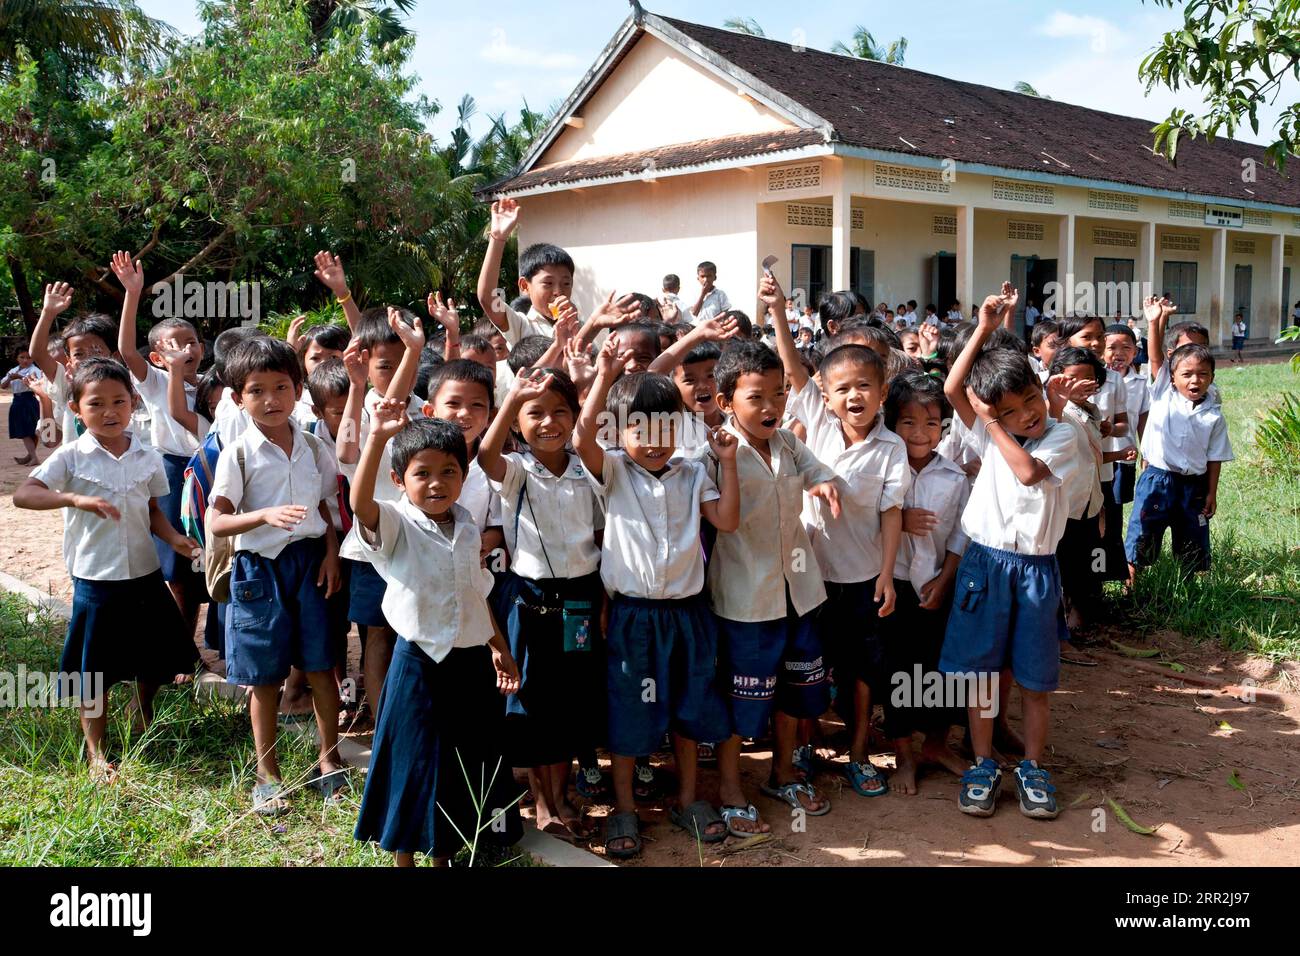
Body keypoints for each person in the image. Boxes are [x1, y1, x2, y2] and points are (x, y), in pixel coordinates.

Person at [573, 338, 739, 859]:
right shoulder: (614, 472)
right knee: (630, 711)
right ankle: (624, 807)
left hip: (689, 614)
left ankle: (689, 800)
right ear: (619, 433)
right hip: (633, 617)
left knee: (693, 709)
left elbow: (727, 521)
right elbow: (582, 440)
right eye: (639, 429)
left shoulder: (694, 470)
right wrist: (601, 377)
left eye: (665, 426)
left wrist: (727, 461)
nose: (653, 440)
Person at [348, 403, 523, 866]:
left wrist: (498, 647)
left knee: (459, 761)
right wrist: (376, 438)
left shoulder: (467, 526)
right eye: (422, 473)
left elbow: (475, 591)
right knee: (413, 761)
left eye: (449, 471)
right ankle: (405, 857)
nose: (436, 483)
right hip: (419, 663)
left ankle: (444, 853)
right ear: (398, 479)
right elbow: (359, 504)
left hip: (468, 663)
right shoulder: (395, 521)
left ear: (464, 477)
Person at [14, 358, 197, 781]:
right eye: (96, 404)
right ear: (76, 408)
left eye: (119, 401)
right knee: (93, 671)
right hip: (96, 579)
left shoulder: (147, 456)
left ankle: (142, 712)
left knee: (154, 658)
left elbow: (153, 511)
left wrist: (175, 540)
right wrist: (73, 500)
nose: (110, 411)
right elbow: (24, 495)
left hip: (146, 574)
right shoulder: (71, 457)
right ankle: (97, 752)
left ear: (134, 402)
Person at [941, 283, 1083, 820]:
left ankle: (1033, 766)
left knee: (1035, 678)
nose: (1029, 414)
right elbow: (955, 387)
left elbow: (1027, 474)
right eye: (1014, 409)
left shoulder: (1059, 438)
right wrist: (984, 327)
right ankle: (982, 762)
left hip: (1036, 571)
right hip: (984, 563)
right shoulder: (991, 431)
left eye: (1034, 400)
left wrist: (995, 419)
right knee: (983, 673)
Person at [767, 274, 910, 798]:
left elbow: (891, 514)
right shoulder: (818, 426)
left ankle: (856, 754)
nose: (854, 396)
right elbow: (790, 366)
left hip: (864, 578)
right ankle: (803, 746)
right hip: (809, 576)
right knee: (807, 666)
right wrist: (780, 312)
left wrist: (888, 576)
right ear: (824, 397)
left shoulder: (892, 447)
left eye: (864, 387)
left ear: (883, 393)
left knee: (863, 672)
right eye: (842, 388)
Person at [704, 339, 842, 834]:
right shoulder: (715, 454)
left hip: (799, 590)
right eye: (757, 397)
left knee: (796, 689)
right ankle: (730, 787)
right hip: (744, 597)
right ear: (726, 403)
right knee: (741, 697)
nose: (771, 407)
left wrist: (822, 482)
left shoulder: (786, 442)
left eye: (779, 395)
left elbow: (815, 468)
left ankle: (782, 773)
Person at [207, 336, 346, 815]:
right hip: (258, 573)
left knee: (321, 666)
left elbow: (328, 507)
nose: (270, 400)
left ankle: (330, 759)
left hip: (310, 565)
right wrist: (263, 515)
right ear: (237, 397)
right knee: (263, 677)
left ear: (298, 389)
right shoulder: (238, 454)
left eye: (281, 387)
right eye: (256, 390)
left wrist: (330, 553)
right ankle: (267, 775)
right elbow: (217, 522)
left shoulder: (312, 446)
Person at [475, 367, 603, 843]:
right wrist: (511, 397)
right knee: (532, 700)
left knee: (571, 699)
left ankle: (564, 792)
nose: (548, 422)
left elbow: (599, 534)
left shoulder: (587, 469)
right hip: (530, 602)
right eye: (535, 413)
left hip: (581, 599)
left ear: (574, 417)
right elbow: (486, 454)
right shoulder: (516, 470)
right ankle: (543, 801)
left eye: (560, 412)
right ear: (517, 422)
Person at [112, 252, 209, 645]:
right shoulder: (153, 381)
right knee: (178, 569)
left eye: (192, 342)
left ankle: (194, 648)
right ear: (157, 357)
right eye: (175, 345)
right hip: (171, 473)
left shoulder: (208, 383)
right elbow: (126, 350)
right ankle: (178, 652)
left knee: (203, 563)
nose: (186, 349)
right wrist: (133, 293)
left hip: (206, 471)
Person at [336, 308, 426, 729]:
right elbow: (346, 455)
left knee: (416, 634)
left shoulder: (426, 411)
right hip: (372, 545)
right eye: (384, 365)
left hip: (420, 541)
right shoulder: (360, 408)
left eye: (406, 359)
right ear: (364, 365)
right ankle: (382, 719)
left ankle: (414, 719)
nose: (395, 374)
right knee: (376, 635)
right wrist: (355, 389)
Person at [883, 371, 971, 792]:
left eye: (931, 423)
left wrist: (945, 579)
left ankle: (936, 743)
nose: (920, 433)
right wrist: (898, 522)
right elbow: (860, 517)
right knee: (899, 671)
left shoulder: (954, 478)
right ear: (891, 424)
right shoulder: (882, 468)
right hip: (893, 585)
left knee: (941, 670)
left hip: (937, 584)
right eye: (908, 423)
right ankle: (904, 753)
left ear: (943, 428)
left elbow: (961, 534)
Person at [1126, 296, 1233, 579]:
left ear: (1212, 377)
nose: (1194, 380)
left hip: (1193, 486)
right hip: (1158, 481)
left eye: (1202, 374)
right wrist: (1154, 322)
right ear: (1172, 377)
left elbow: (1215, 457)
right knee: (1143, 535)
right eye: (1187, 374)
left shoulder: (1214, 414)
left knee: (1191, 541)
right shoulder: (1163, 392)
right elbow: (1155, 357)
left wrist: (1212, 492)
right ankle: (1132, 587)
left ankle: (1184, 590)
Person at [477, 198, 577, 347]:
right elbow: (487, 297)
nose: (558, 291)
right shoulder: (521, 325)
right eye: (548, 283)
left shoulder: (577, 326)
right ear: (524, 286)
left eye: (566, 283)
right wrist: (498, 238)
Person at [28, 282, 117, 447]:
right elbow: (50, 440)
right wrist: (48, 313)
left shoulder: (123, 384)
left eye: (97, 351)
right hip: (80, 470)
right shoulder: (65, 385)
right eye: (79, 354)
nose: (88, 358)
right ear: (69, 361)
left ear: (114, 355)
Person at [646, 312, 740, 458]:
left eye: (711, 376)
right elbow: (651, 374)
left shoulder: (737, 418)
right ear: (672, 384)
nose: (703, 385)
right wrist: (698, 334)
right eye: (690, 380)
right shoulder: (675, 422)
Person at [1102, 325, 1149, 542]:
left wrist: (1146, 452)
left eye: (1126, 347)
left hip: (1124, 455)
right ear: (1102, 350)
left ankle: (1113, 555)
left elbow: (1142, 420)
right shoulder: (1096, 378)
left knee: (1115, 507)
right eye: (1112, 347)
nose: (1118, 353)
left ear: (1135, 352)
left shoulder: (1141, 384)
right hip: (1098, 454)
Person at [3, 348, 43, 464]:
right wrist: (11, 377)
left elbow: (36, 384)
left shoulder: (34, 370)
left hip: (29, 400)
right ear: (17, 358)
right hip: (17, 401)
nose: (25, 360)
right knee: (24, 430)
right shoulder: (13, 370)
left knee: (30, 431)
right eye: (22, 357)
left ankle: (33, 457)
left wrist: (19, 377)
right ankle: (30, 456)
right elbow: (3, 386)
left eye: (28, 357)